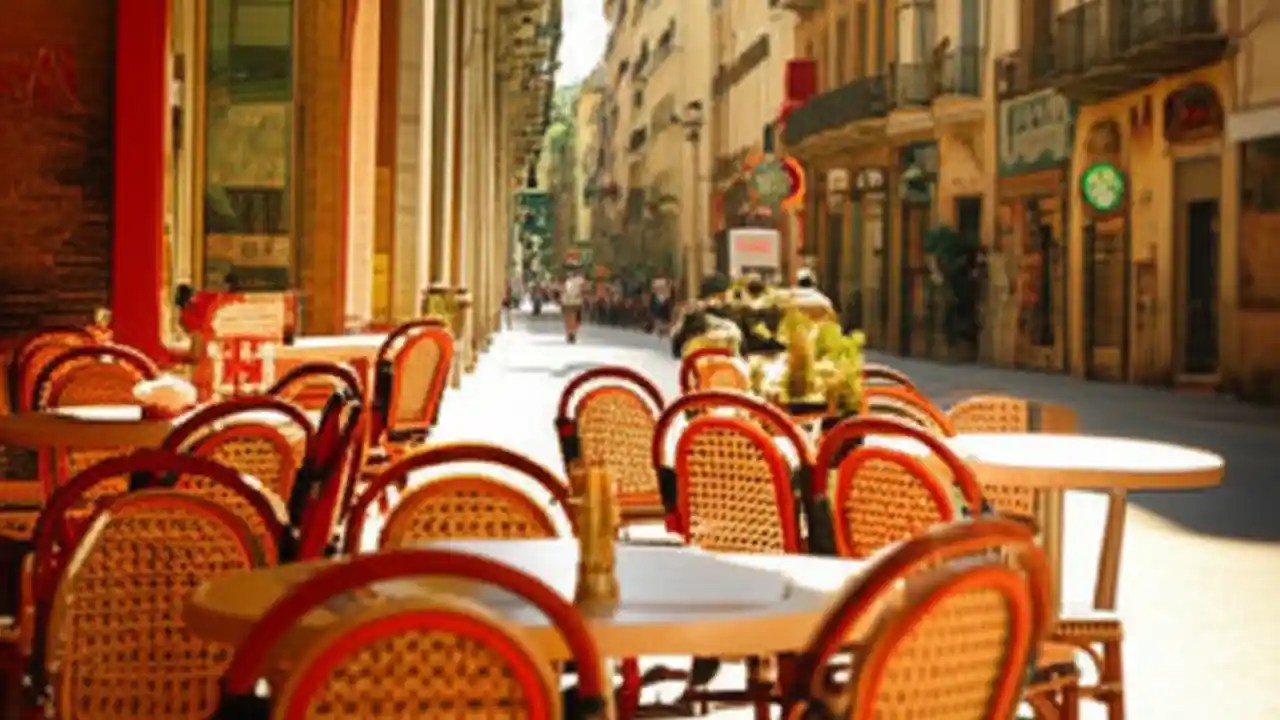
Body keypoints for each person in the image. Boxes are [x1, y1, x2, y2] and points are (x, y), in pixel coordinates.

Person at [561, 271, 585, 343]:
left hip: (567, 302)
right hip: (576, 302)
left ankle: (569, 334)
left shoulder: (566, 281)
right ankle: (573, 334)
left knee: (568, 319)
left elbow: (563, 290)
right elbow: (583, 289)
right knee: (577, 319)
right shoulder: (580, 279)